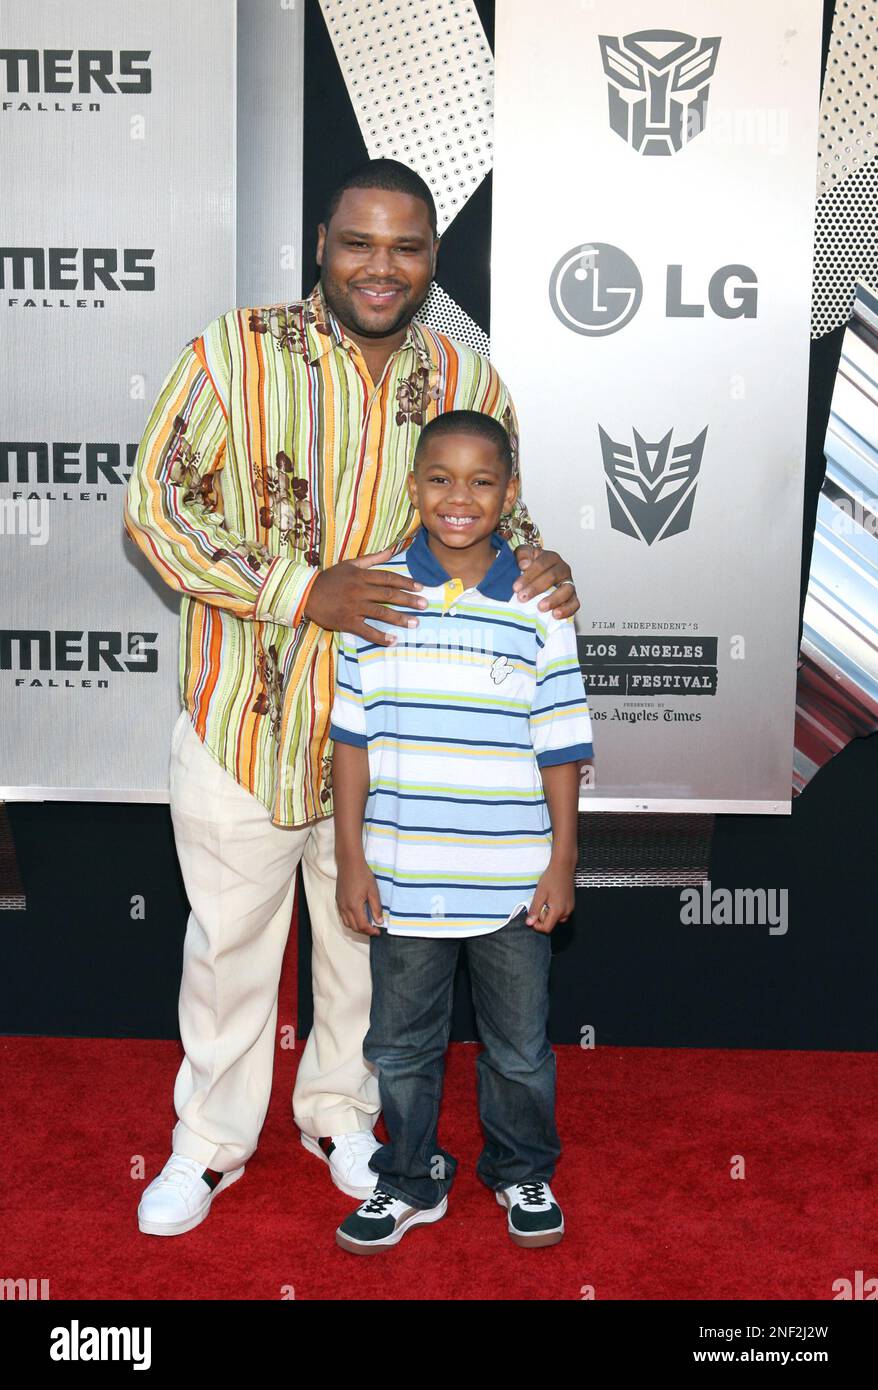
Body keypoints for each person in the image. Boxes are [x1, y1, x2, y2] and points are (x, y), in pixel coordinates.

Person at [124, 157, 580, 1237]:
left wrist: (543, 565)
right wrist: (299, 588)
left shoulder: (467, 379)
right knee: (229, 947)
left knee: (367, 951)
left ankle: (343, 1118)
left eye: (406, 246)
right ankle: (208, 1144)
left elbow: (497, 525)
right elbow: (153, 507)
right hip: (248, 713)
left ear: (431, 258)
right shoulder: (231, 354)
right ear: (319, 244)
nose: (381, 267)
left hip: (404, 743)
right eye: (358, 243)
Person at [330, 410, 593, 1253]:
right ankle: (409, 1178)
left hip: (513, 880)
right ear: (413, 487)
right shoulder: (373, 594)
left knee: (519, 1049)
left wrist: (563, 861)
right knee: (401, 1048)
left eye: (482, 482)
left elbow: (560, 741)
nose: (459, 498)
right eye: (440, 478)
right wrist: (348, 861)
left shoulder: (538, 603)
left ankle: (521, 1169)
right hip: (403, 878)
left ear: (509, 494)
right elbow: (350, 740)